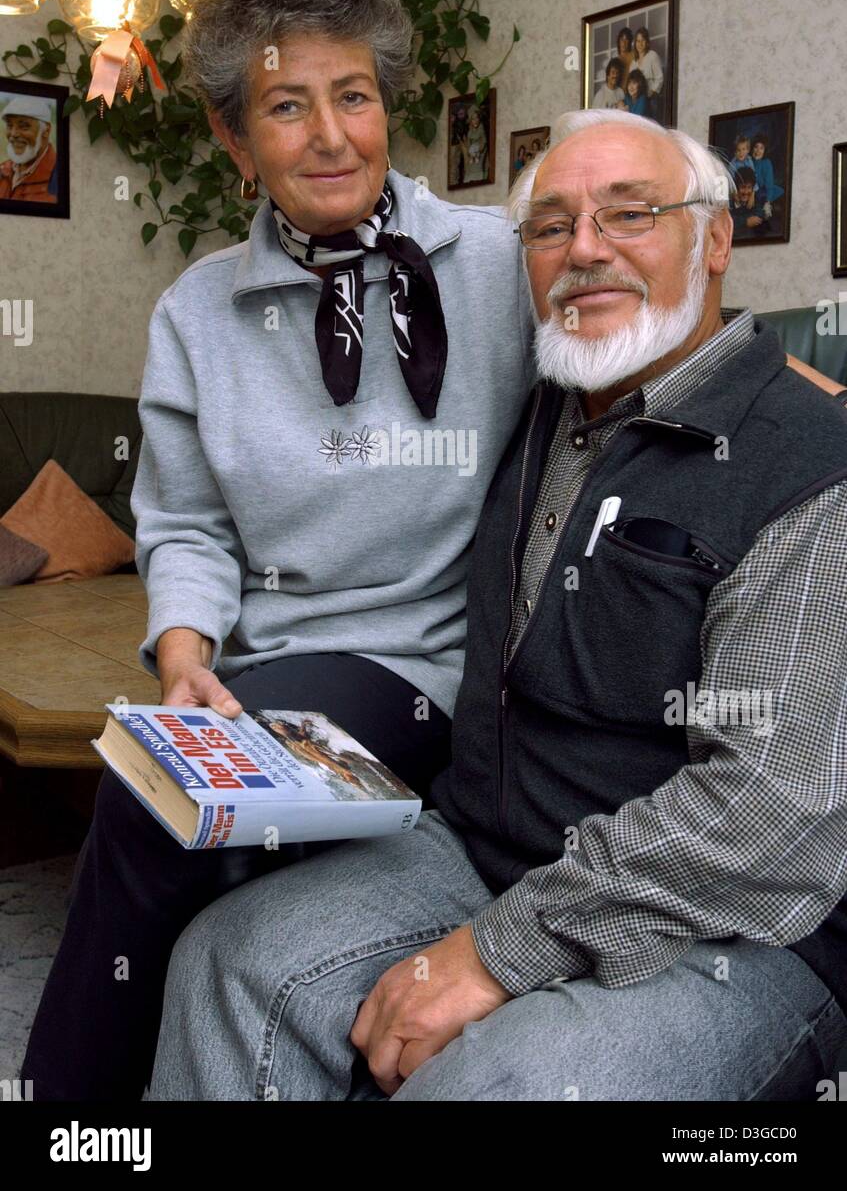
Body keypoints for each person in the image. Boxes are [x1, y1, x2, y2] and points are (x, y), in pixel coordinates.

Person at [148, 110, 847, 1103]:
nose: (586, 251)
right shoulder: (544, 399)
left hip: (728, 927)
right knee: (232, 960)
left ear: (717, 238)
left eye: (629, 214)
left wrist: (494, 953)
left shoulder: (806, 470)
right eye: (552, 227)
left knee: (497, 1086)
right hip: (483, 851)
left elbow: (768, 818)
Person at [20, 0, 537, 1103]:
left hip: (428, 669)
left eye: (352, 95)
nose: (330, 135)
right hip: (267, 666)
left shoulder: (498, 263)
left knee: (154, 813)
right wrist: (187, 654)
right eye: (286, 105)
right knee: (158, 790)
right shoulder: (199, 311)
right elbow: (188, 523)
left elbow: (642, 328)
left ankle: (68, 1114)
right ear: (232, 137)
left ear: (386, 101)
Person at [0, 94, 58, 203]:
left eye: (24, 126)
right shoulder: (3, 171)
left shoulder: (59, 177)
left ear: (46, 131)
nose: (13, 134)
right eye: (9, 125)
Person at [630, 27, 664, 119]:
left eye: (642, 40)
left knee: (652, 126)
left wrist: (651, 93)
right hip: (638, 101)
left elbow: (659, 78)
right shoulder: (634, 62)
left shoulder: (652, 55)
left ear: (647, 42)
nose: (640, 44)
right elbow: (630, 83)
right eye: (638, 41)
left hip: (651, 99)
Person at [731, 166, 770, 237]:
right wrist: (745, 222)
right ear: (736, 188)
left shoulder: (755, 198)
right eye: (743, 187)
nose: (746, 192)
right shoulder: (729, 201)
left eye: (749, 187)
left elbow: (759, 215)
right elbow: (728, 220)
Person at [751, 134, 783, 219]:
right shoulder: (748, 160)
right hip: (752, 193)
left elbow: (769, 184)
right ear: (752, 148)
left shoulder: (766, 162)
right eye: (756, 147)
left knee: (766, 214)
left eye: (761, 148)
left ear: (765, 151)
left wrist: (768, 202)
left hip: (766, 192)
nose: (758, 151)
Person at [464, 106, 488, 182]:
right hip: (471, 154)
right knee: (470, 167)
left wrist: (479, 150)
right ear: (470, 120)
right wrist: (469, 151)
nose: (475, 121)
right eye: (473, 119)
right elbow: (468, 143)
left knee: (478, 167)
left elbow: (483, 141)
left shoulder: (481, 129)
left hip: (479, 152)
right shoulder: (470, 131)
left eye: (477, 118)